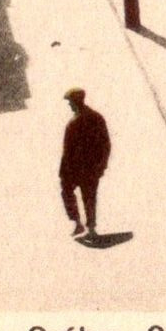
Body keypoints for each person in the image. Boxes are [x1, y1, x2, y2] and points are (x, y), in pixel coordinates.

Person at [59, 88, 110, 239]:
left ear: (76, 102)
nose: (69, 105)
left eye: (70, 102)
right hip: (91, 167)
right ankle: (87, 226)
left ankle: (81, 224)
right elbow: (106, 144)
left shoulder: (75, 123)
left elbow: (67, 151)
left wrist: (63, 172)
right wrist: (102, 165)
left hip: (79, 168)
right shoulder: (96, 117)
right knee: (89, 197)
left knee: (77, 194)